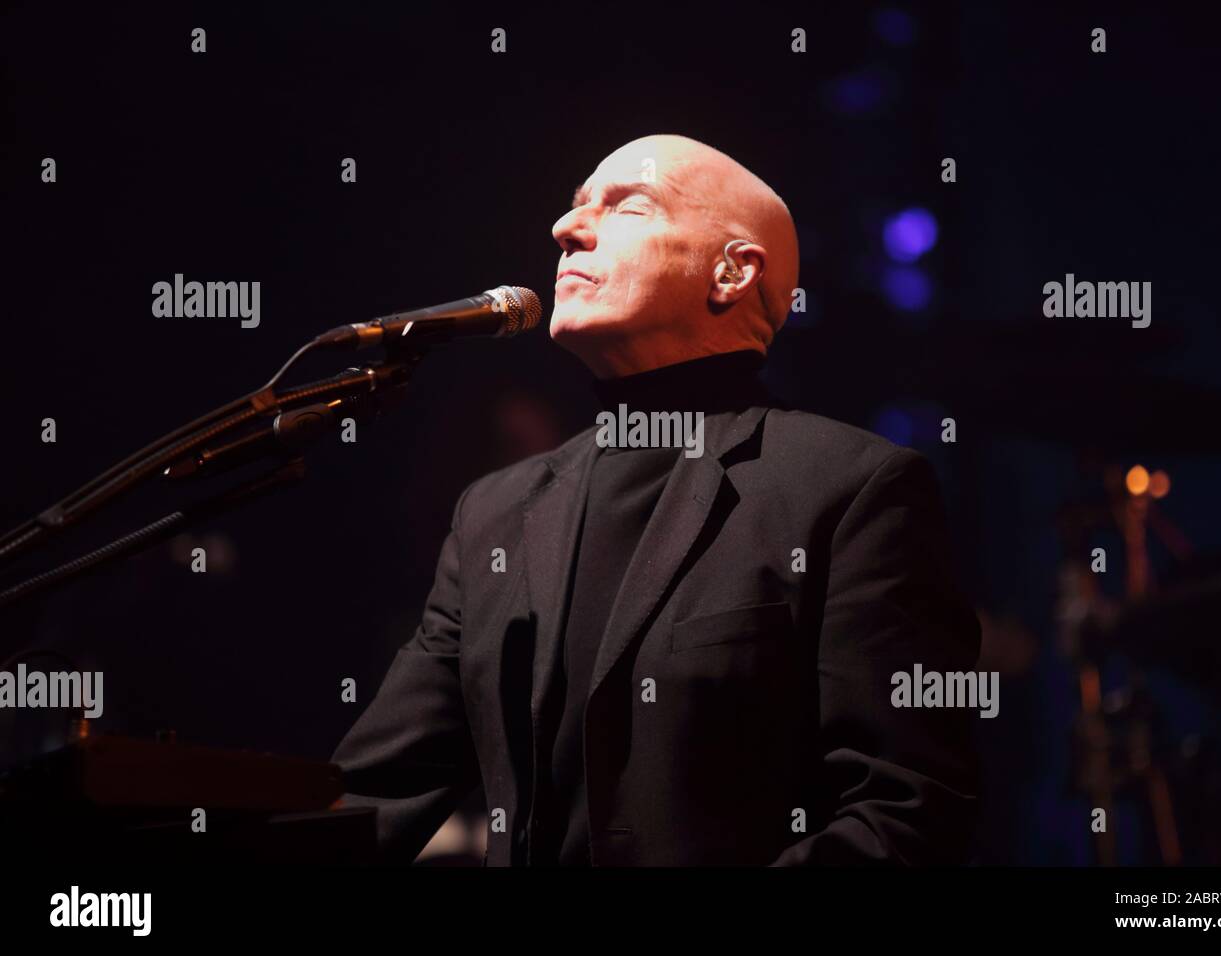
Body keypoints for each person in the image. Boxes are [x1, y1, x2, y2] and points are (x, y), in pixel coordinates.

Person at [332, 134, 981, 866]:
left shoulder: (850, 488)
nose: (566, 229)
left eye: (627, 207)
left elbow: (909, 809)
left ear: (731, 273)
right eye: (576, 208)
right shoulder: (494, 513)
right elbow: (368, 801)